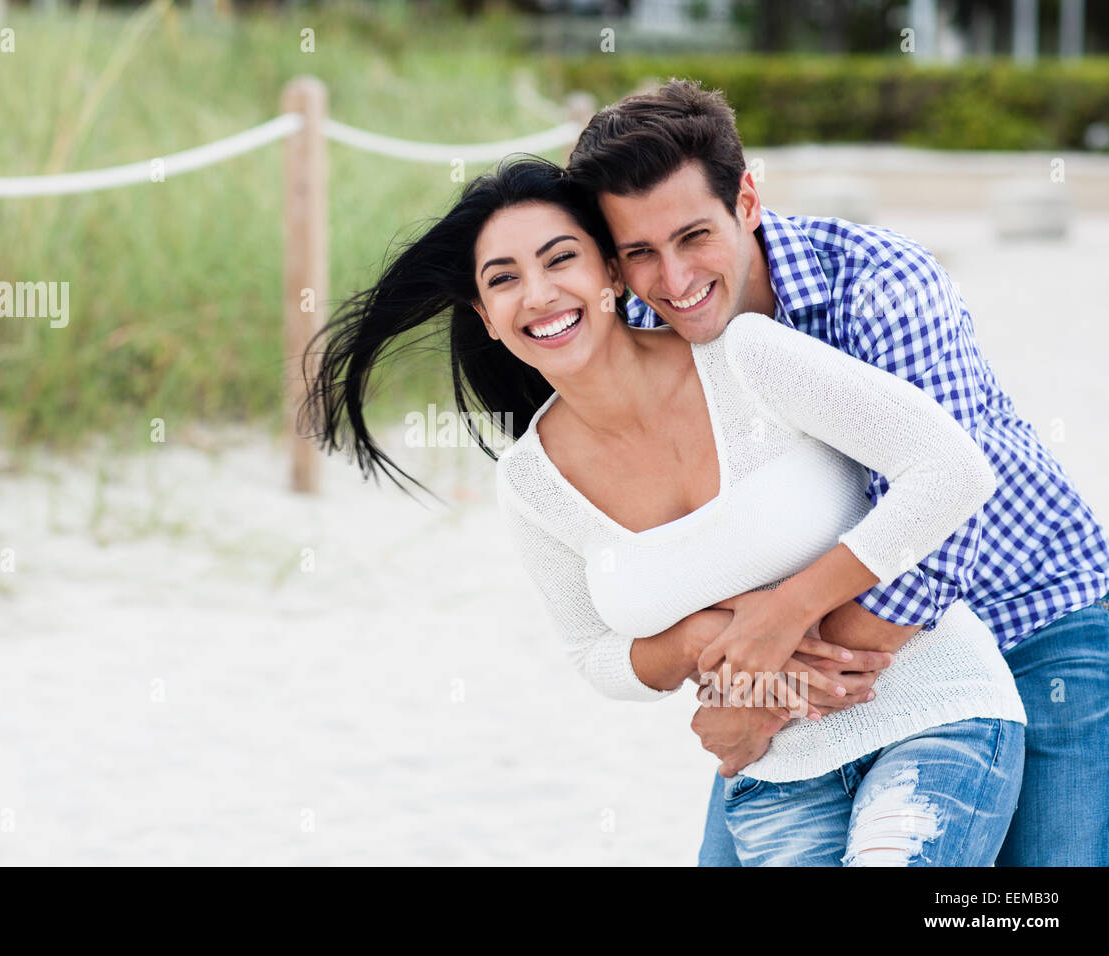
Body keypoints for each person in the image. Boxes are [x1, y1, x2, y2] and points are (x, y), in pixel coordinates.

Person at [299, 154, 1028, 866]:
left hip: (930, 715)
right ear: (486, 317)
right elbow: (593, 655)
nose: (540, 293)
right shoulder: (529, 482)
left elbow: (950, 469)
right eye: (504, 279)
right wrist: (699, 639)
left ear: (613, 275)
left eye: (561, 260)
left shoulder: (745, 356)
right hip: (771, 766)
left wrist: (783, 614)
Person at [565, 77, 1109, 867]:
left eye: (694, 237)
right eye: (639, 253)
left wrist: (765, 691)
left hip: (1029, 619)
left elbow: (943, 539)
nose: (673, 281)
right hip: (825, 654)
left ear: (747, 200)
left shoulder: (882, 282)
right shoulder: (650, 331)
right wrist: (750, 659)